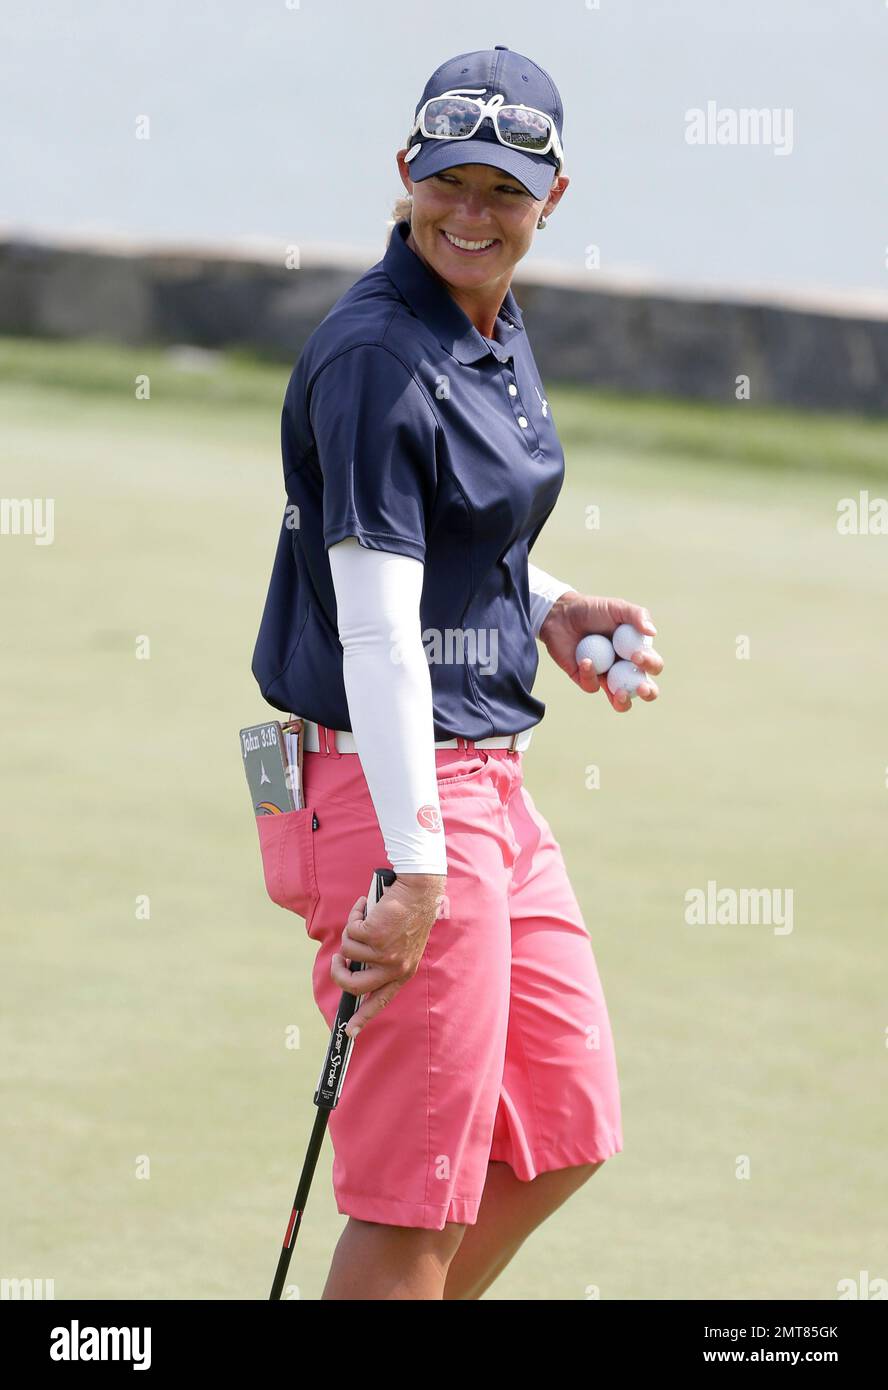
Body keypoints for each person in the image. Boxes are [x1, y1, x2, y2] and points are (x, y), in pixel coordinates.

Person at [251, 45, 663, 1300]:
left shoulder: (488, 316)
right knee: (412, 1200)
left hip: (484, 783)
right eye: (447, 186)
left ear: (553, 197)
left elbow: (459, 540)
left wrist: (544, 602)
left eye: (502, 191)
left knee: (563, 1125)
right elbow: (376, 632)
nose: (469, 216)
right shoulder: (380, 355)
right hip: (395, 794)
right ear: (405, 176)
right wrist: (419, 871)